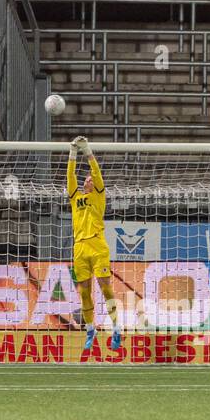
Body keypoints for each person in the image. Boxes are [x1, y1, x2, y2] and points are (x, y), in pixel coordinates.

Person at [65, 136, 122, 351]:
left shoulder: (99, 195)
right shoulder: (75, 197)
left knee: (106, 289)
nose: (88, 180)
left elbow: (96, 172)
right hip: (79, 247)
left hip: (98, 246)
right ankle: (90, 329)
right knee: (84, 292)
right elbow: (70, 176)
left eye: (90, 179)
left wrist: (87, 150)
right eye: (86, 179)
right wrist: (72, 152)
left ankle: (116, 327)